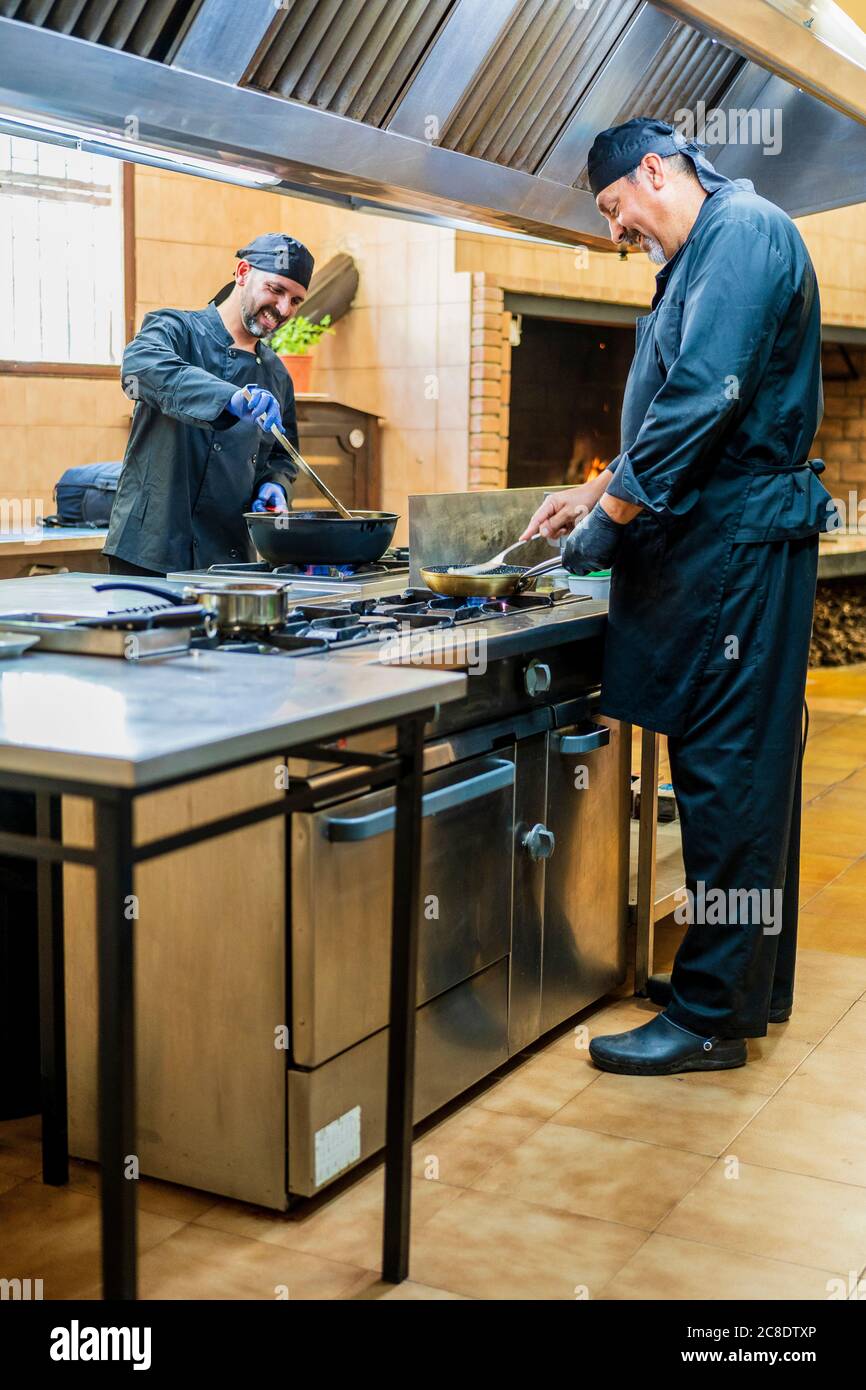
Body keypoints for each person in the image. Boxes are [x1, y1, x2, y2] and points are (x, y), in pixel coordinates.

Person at [521, 118, 837, 1076]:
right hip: (728, 536)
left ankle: (707, 1018)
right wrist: (595, 484)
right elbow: (675, 404)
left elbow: (705, 395)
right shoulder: (710, 244)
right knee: (747, 770)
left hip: (734, 544)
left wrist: (610, 518)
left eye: (616, 208)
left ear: (653, 170)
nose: (617, 230)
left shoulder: (743, 233)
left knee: (726, 773)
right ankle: (743, 987)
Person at [104, 232, 315, 576]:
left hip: (229, 556)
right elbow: (140, 366)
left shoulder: (276, 373)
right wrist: (229, 399)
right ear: (243, 272)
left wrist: (274, 485)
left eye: (295, 301)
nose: (282, 309)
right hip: (150, 550)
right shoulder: (176, 329)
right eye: (276, 290)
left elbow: (281, 455)